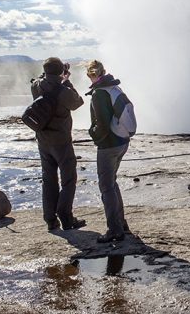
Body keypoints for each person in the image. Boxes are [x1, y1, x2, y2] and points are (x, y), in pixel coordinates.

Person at [30, 57, 86, 233]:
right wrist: (67, 81)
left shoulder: (37, 86)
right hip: (61, 141)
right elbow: (78, 102)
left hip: (43, 139)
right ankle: (66, 217)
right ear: (61, 71)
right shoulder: (63, 91)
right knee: (69, 179)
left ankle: (50, 220)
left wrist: (54, 75)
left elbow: (41, 79)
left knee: (49, 180)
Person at [86, 60, 132, 243]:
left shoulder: (99, 93)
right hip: (122, 141)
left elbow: (102, 124)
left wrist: (94, 135)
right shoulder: (114, 87)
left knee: (106, 186)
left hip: (109, 144)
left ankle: (114, 230)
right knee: (112, 182)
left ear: (91, 75)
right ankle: (121, 224)